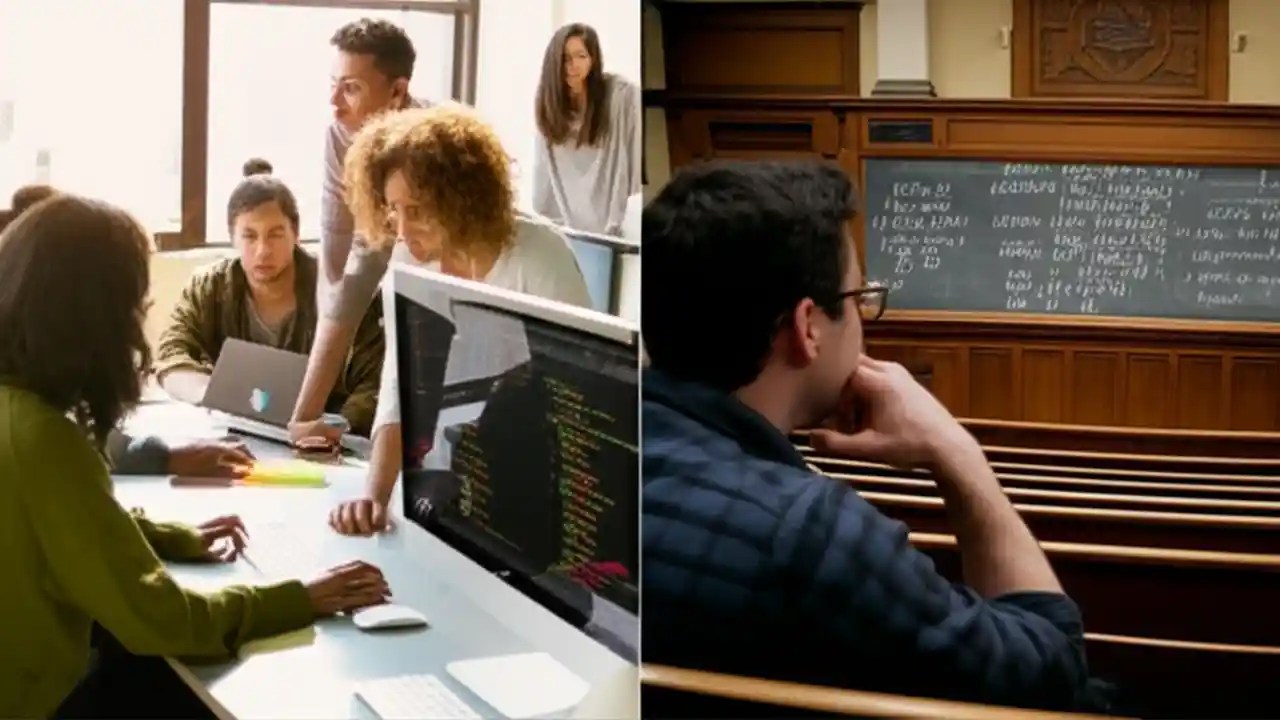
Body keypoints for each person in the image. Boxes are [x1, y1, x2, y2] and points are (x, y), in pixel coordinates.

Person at [640, 160, 1107, 712]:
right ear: (808, 327)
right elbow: (1048, 675)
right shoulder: (810, 532)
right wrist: (957, 453)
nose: (864, 318)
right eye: (858, 297)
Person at [0, 194, 390, 719]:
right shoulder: (41, 438)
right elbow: (164, 621)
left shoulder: (19, 410)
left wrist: (167, 537)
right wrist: (303, 596)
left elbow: (59, 522)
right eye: (133, 303)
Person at [321, 103, 592, 536]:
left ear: (462, 198)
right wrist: (374, 495)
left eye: (419, 209)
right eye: (394, 210)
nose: (404, 230)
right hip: (442, 484)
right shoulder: (410, 255)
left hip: (527, 484)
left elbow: (582, 394)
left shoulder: (539, 257)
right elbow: (399, 381)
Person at [0, 183, 256, 478]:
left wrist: (164, 458)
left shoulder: (25, 405)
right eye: (131, 305)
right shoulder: (43, 433)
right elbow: (99, 524)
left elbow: (100, 454)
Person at [155, 159, 384, 436]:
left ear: (296, 234)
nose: (263, 251)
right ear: (232, 238)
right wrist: (211, 395)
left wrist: (337, 429)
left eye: (275, 235)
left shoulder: (338, 291)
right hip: (232, 431)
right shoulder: (210, 287)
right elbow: (172, 353)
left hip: (321, 438)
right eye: (249, 236)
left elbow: (375, 381)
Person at [290, 19, 427, 435]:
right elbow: (336, 271)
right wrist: (303, 419)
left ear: (397, 91)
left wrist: (303, 415)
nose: (334, 102)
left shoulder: (427, 146)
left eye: (351, 87)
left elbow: (366, 262)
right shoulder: (341, 136)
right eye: (333, 84)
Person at [532, 23, 641, 236]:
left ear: (593, 59)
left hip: (619, 227)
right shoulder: (547, 107)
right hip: (569, 233)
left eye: (581, 56)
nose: (573, 65)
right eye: (565, 58)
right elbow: (542, 186)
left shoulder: (620, 97)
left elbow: (635, 160)